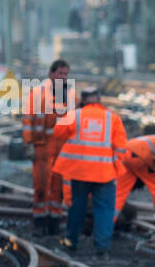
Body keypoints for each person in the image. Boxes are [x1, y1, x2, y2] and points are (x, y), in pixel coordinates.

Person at [52, 87, 127, 254]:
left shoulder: (74, 115)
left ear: (83, 100)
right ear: (99, 99)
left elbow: (58, 133)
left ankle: (71, 242)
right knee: (105, 210)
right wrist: (115, 166)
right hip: (105, 173)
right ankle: (102, 247)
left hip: (80, 172)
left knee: (77, 207)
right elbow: (121, 147)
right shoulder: (112, 118)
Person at [22, 60, 72, 236]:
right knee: (41, 185)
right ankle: (39, 221)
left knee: (58, 186)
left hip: (61, 148)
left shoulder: (69, 95)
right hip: (42, 147)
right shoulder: (37, 93)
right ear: (51, 74)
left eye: (65, 74)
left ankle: (54, 222)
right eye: (59, 73)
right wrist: (29, 144)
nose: (62, 77)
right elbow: (28, 120)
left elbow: (73, 123)